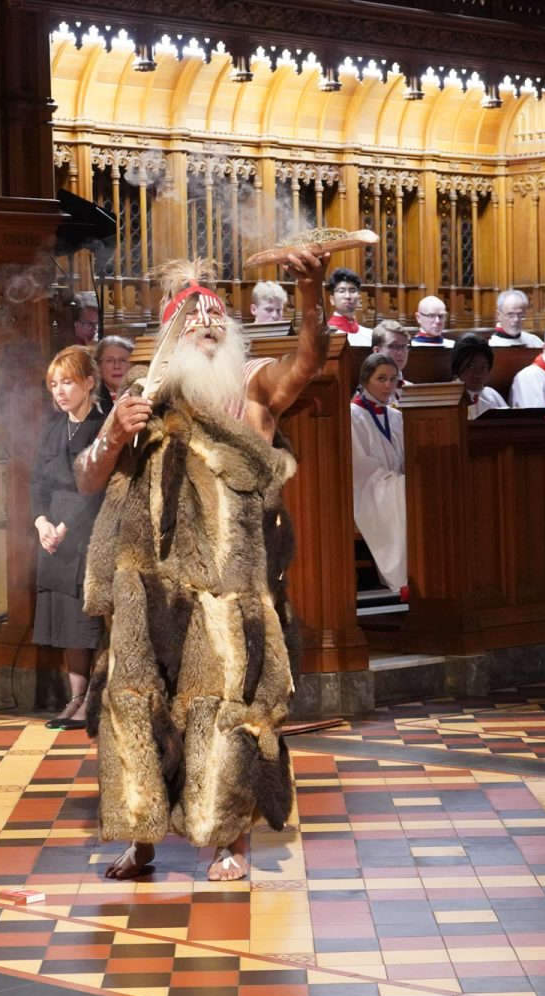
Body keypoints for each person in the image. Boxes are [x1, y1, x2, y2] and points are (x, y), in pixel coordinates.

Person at [75, 249, 331, 883]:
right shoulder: (142, 402)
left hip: (227, 593)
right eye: (192, 318)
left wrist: (311, 292)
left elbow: (310, 360)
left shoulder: (253, 392)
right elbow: (86, 481)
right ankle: (140, 835)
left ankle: (228, 839)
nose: (208, 324)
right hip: (148, 586)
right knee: (134, 704)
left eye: (217, 315)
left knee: (224, 706)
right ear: (169, 336)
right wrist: (112, 435)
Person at [31, 345, 107, 730]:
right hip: (54, 531)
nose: (59, 391)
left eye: (68, 382)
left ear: (89, 383)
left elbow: (96, 489)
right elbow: (38, 481)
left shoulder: (103, 425)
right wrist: (41, 521)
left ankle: (94, 698)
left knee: (87, 619)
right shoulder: (51, 427)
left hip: (87, 529)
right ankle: (74, 697)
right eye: (54, 384)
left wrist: (64, 527)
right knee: (64, 620)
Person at [350, 353, 407, 593]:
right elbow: (360, 464)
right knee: (401, 491)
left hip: (392, 482)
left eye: (393, 379)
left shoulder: (396, 416)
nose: (388, 385)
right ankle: (402, 578)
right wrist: (393, 481)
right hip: (367, 489)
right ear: (365, 380)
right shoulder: (353, 415)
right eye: (381, 378)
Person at [450, 336, 508, 418]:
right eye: (471, 367)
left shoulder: (492, 395)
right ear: (458, 367)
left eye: (483, 367)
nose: (478, 374)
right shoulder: (448, 399)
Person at [327, 267, 372, 347]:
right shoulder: (326, 334)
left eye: (352, 291)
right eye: (341, 291)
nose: (347, 296)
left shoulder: (370, 334)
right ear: (332, 299)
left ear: (359, 298)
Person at [372, 319, 413, 395]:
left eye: (403, 346)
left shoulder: (412, 389)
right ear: (377, 351)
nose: (400, 353)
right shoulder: (368, 392)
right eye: (393, 346)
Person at [95, 336, 133, 405]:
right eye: (109, 360)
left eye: (123, 360)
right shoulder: (90, 401)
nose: (116, 366)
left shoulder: (143, 394)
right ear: (99, 367)